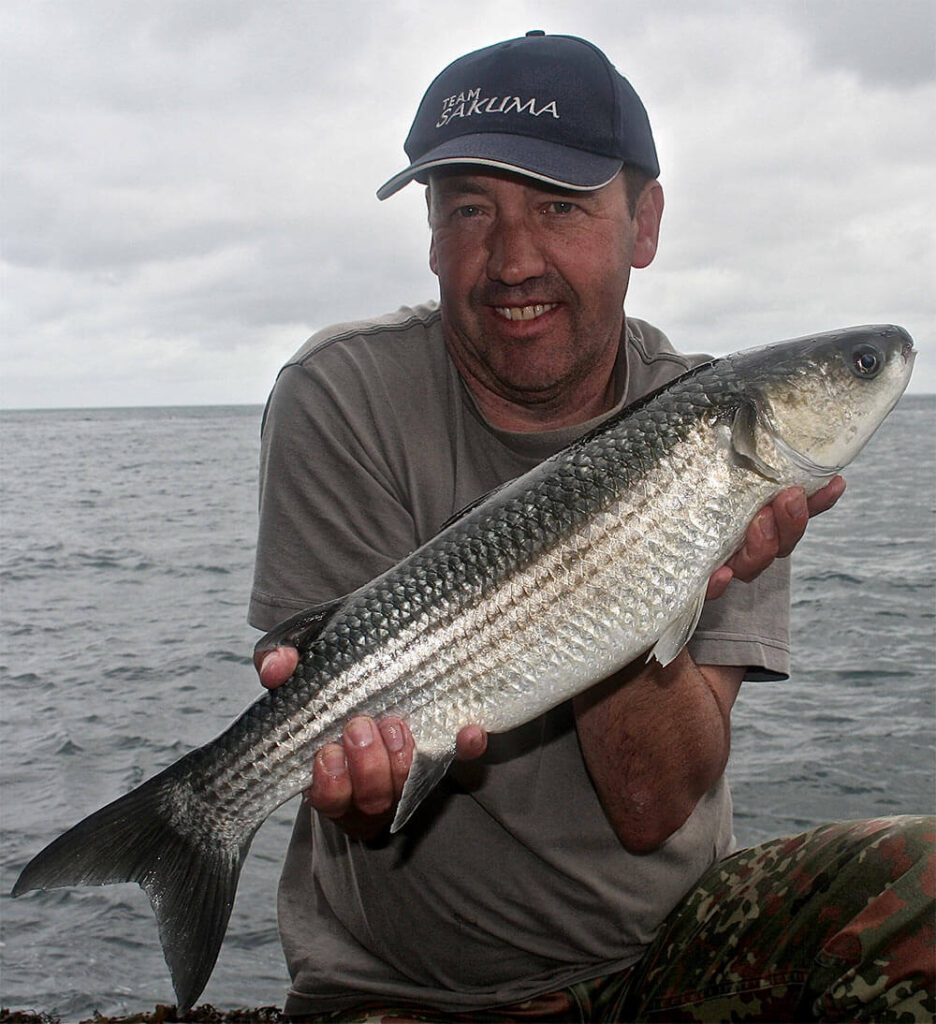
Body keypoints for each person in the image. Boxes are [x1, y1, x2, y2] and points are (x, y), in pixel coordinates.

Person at [249, 32, 934, 1022]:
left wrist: (652, 559)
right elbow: (360, 790)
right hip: (404, 989)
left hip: (672, 955)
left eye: (559, 206)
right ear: (431, 233)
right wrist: (350, 775)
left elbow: (652, 808)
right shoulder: (341, 395)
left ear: (642, 223)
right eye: (469, 209)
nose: (513, 259)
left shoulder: (731, 448)